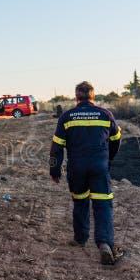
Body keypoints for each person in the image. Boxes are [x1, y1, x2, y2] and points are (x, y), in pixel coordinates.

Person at [49, 81, 122, 264]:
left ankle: (80, 238)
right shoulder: (106, 115)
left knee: (80, 202)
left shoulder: (67, 117)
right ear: (93, 96)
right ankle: (105, 243)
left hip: (77, 169)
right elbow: (116, 140)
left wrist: (54, 169)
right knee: (103, 205)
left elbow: (56, 147)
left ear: (76, 97)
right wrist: (108, 159)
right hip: (99, 167)